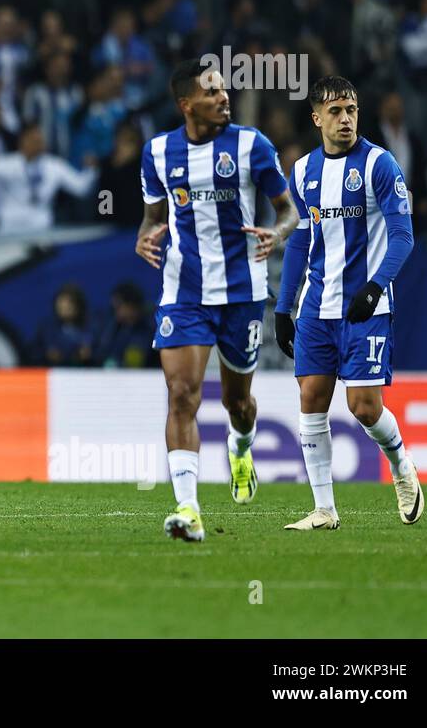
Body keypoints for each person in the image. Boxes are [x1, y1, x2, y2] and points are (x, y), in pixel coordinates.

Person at [136, 60, 297, 542]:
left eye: (225, 91)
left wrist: (278, 231)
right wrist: (144, 237)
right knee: (183, 393)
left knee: (237, 401)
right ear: (187, 104)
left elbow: (288, 209)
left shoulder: (251, 145)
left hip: (242, 293)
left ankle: (241, 445)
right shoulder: (158, 152)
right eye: (213, 93)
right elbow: (151, 217)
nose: (224, 98)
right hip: (183, 289)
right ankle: (188, 509)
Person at [275, 76, 422, 531]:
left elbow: (403, 236)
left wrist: (376, 286)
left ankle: (400, 465)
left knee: (363, 407)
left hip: (366, 306)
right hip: (317, 306)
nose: (345, 119)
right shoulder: (301, 172)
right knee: (311, 399)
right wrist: (284, 306)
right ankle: (324, 509)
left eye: (352, 110)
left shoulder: (380, 164)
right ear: (317, 118)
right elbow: (302, 240)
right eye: (336, 112)